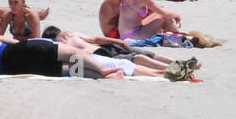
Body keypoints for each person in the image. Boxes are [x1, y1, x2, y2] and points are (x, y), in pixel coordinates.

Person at [0, 32, 123, 79]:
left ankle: (104, 77)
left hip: (22, 68)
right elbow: (14, 42)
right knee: (73, 54)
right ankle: (102, 69)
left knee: (69, 68)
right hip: (26, 50)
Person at [42, 26, 184, 78]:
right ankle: (172, 69)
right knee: (138, 58)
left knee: (145, 53)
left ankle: (179, 63)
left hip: (108, 47)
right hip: (102, 54)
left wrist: (117, 41)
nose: (63, 37)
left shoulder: (73, 35)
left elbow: (95, 38)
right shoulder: (63, 48)